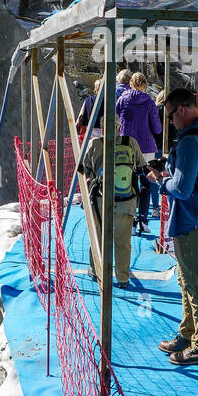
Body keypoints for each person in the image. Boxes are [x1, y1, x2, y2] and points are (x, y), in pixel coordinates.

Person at [148, 87, 198, 367]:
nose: (170, 122)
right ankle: (188, 334)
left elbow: (182, 187)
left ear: (181, 110)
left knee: (196, 284)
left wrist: (160, 180)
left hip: (192, 221)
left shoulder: (190, 141)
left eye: (170, 116)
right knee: (187, 279)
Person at [82, 114, 144, 288]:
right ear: (119, 127)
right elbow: (141, 166)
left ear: (102, 128)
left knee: (99, 236)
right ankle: (123, 277)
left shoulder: (95, 144)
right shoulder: (130, 142)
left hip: (101, 200)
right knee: (123, 241)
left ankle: (96, 270)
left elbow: (83, 168)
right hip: (126, 200)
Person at [117, 71, 163, 233]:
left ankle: (129, 219)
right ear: (144, 85)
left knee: (127, 183)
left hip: (126, 146)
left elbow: (116, 120)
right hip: (146, 148)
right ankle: (143, 220)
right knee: (146, 183)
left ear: (131, 84)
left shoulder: (122, 100)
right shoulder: (149, 102)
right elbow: (157, 128)